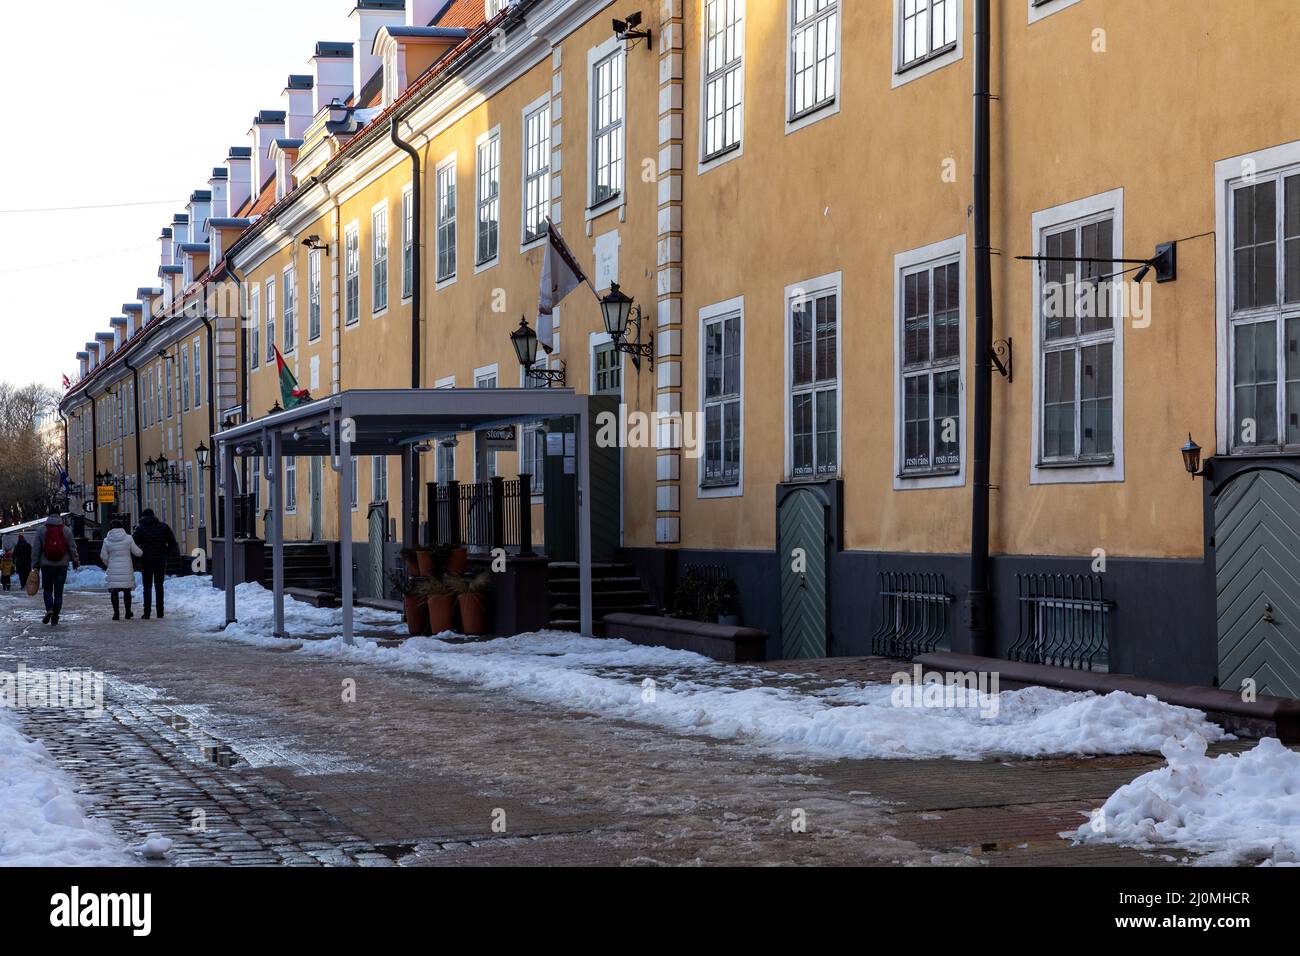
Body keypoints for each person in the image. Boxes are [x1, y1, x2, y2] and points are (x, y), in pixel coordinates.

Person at [33, 511, 79, 626]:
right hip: (61, 565)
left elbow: (36, 549)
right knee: (58, 592)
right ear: (59, 516)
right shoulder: (66, 530)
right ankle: (55, 617)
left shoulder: (41, 530)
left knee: (47, 590)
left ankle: (49, 609)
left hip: (46, 565)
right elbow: (72, 547)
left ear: (48, 516)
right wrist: (75, 560)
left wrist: (35, 565)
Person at [132, 509, 177, 619]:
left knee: (147, 586)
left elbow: (133, 545)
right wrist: (166, 554)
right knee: (159, 586)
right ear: (154, 516)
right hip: (160, 560)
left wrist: (138, 558)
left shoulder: (140, 528)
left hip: (145, 561)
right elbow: (172, 542)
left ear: (142, 517)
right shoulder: (163, 527)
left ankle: (147, 612)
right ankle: (160, 612)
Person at [100, 519, 142, 620]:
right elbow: (137, 552)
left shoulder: (107, 540)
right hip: (126, 568)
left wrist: (109, 564)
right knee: (127, 591)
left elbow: (103, 556)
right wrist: (142, 551)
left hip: (113, 568)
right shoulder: (128, 538)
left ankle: (116, 614)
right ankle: (128, 612)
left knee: (114, 591)